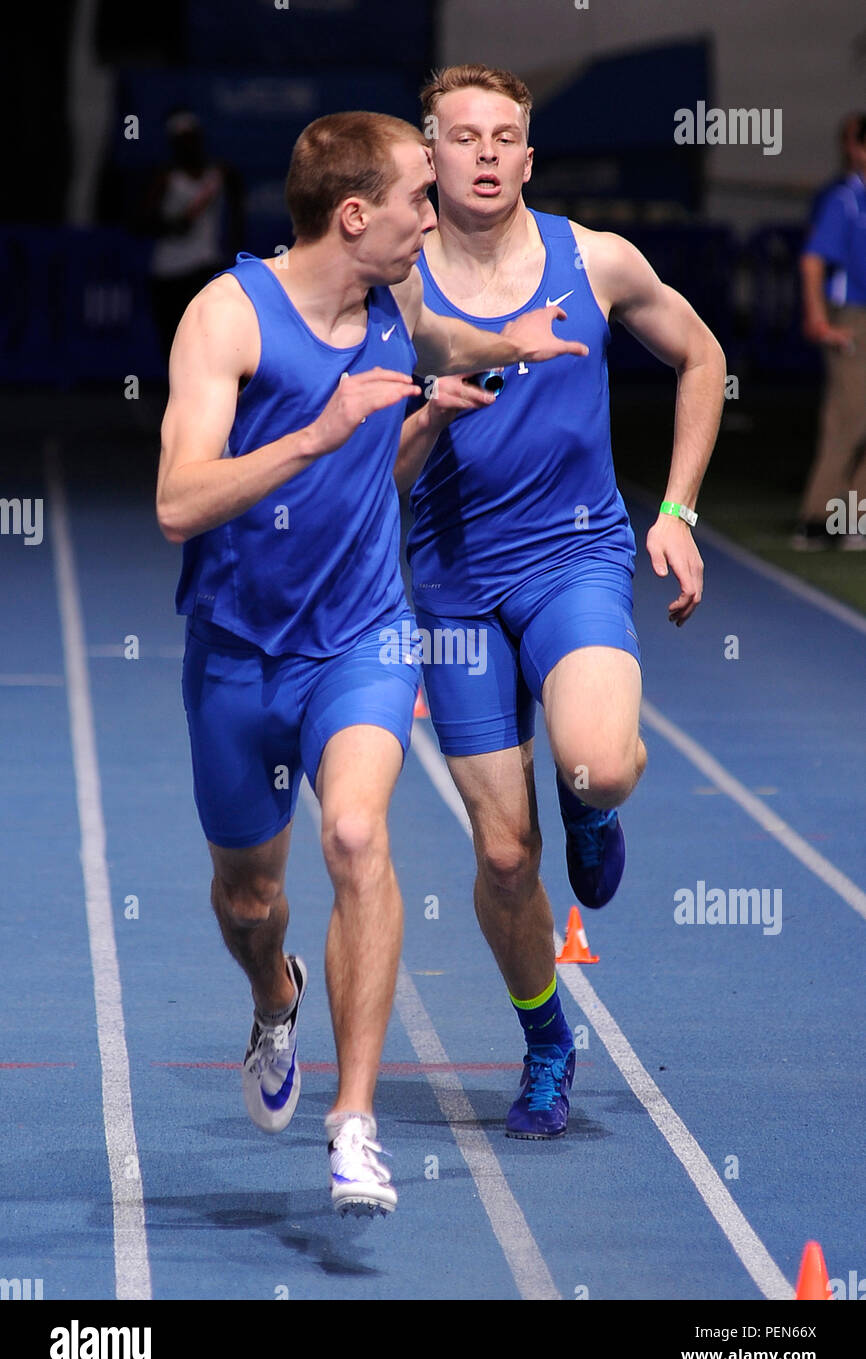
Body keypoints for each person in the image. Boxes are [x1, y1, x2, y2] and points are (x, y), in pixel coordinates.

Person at [155, 109, 588, 1215]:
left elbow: (441, 337)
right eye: (416, 201)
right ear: (355, 215)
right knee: (251, 899)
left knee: (354, 834)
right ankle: (274, 993)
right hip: (239, 653)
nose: (433, 214)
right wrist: (315, 431)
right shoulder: (227, 318)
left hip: (361, 635)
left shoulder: (396, 302)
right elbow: (176, 502)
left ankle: (351, 1124)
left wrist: (512, 344)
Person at [394, 65, 725, 1140]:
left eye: (505, 137)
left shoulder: (594, 259)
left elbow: (700, 355)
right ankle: (545, 1041)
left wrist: (673, 510)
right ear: (427, 155)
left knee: (595, 761)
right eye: (463, 137)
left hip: (574, 555)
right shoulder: (392, 291)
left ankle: (590, 802)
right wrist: (430, 420)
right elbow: (374, 475)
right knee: (499, 857)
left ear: (528, 158)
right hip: (449, 585)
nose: (485, 154)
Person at [793, 113, 866, 550]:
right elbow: (812, 260)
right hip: (852, 317)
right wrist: (818, 319)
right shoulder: (845, 200)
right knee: (847, 419)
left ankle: (853, 518)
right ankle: (816, 519)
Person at [142, 109, 244, 365]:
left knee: (206, 334)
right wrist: (170, 226)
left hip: (205, 266)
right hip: (168, 271)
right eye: (181, 140)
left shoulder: (220, 175)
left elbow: (237, 211)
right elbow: (141, 221)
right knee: (172, 338)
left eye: (192, 138)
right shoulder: (165, 178)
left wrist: (233, 244)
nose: (188, 145)